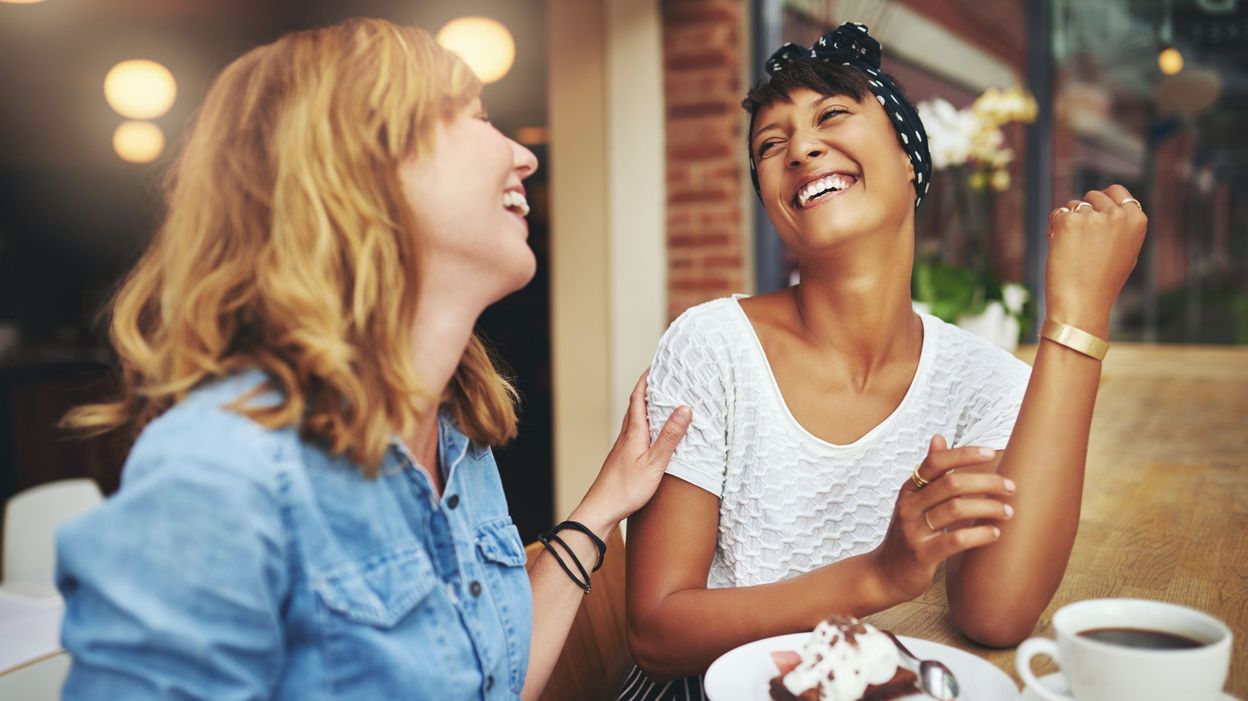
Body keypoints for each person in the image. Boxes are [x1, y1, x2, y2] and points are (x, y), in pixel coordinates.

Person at [55, 18, 691, 700]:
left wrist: (604, 507)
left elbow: (494, 683)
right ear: (366, 168)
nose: (524, 155)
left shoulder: (457, 440)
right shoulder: (222, 472)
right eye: (477, 118)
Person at [620, 23, 1147, 699]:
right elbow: (656, 632)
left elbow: (997, 613)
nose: (801, 148)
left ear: (909, 159)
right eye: (769, 145)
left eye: (832, 115)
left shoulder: (983, 384)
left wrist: (1077, 316)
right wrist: (880, 574)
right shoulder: (711, 346)